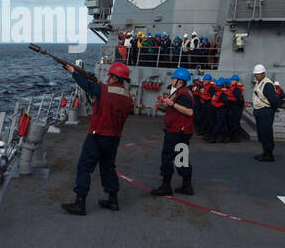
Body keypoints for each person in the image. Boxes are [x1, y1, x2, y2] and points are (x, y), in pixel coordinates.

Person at [60, 60, 134, 215]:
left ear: (113, 77)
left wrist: (73, 72)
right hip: (114, 138)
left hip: (97, 136)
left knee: (84, 167)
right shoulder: (127, 97)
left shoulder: (103, 90)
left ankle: (80, 203)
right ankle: (113, 200)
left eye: (109, 75)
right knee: (108, 167)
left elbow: (85, 85)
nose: (107, 77)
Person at [151, 67, 196, 197]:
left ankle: (166, 186)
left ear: (179, 81)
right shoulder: (181, 92)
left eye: (174, 78)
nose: (172, 79)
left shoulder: (183, 94)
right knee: (181, 158)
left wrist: (172, 103)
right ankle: (187, 186)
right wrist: (164, 106)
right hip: (180, 130)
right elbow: (175, 109)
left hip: (177, 131)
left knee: (167, 156)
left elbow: (190, 111)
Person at [250, 64, 283, 162]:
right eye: (256, 74)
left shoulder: (267, 84)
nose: (257, 75)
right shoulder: (259, 83)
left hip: (265, 110)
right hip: (259, 111)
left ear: (263, 73)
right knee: (262, 133)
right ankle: (265, 152)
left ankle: (269, 154)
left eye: (259, 74)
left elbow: (273, 99)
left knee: (266, 132)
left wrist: (271, 110)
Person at [227, 74, 245, 142]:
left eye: (233, 80)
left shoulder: (236, 89)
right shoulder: (233, 88)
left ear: (237, 81)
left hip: (236, 107)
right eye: (231, 80)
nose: (231, 81)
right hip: (233, 107)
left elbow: (239, 99)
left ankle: (236, 137)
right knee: (233, 121)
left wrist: (241, 107)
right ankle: (234, 136)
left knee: (235, 122)